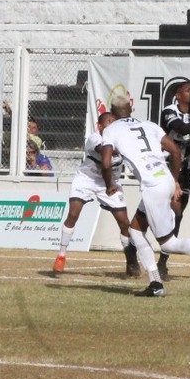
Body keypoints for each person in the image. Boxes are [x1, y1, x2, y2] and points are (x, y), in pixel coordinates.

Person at [99, 96, 190, 297]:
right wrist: (175, 182)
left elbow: (106, 163)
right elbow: (176, 151)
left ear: (112, 113)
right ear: (131, 108)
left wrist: (109, 185)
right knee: (135, 230)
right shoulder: (149, 125)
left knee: (168, 243)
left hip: (152, 186)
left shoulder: (111, 129)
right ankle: (155, 283)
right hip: (165, 178)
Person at [53, 110, 140, 276]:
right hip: (86, 179)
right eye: (108, 122)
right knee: (73, 213)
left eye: (114, 122)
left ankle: (130, 260)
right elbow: (104, 150)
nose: (111, 125)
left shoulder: (123, 140)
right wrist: (119, 147)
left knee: (124, 222)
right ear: (100, 126)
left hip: (110, 183)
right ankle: (61, 255)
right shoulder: (94, 138)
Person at [157, 81, 190, 280]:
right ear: (177, 94)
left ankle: (163, 260)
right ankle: (141, 253)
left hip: (186, 170)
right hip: (165, 166)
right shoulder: (169, 111)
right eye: (187, 90)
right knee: (173, 211)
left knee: (178, 215)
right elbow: (182, 129)